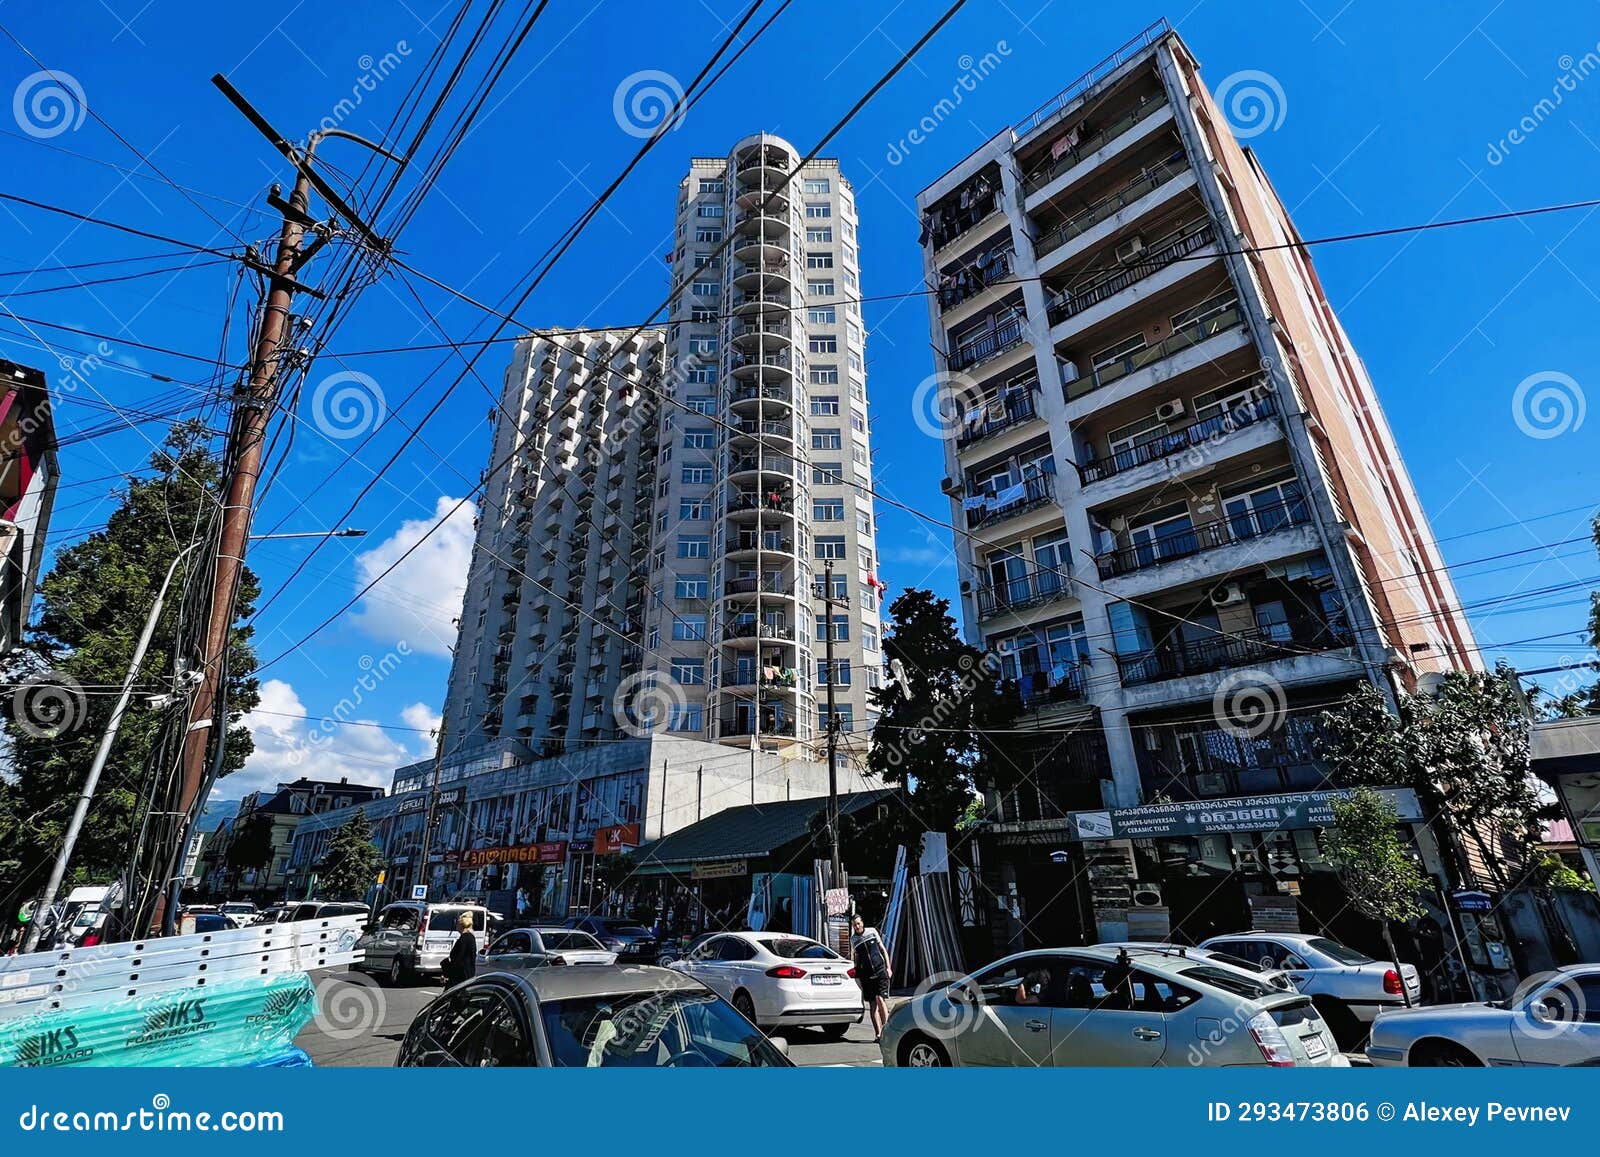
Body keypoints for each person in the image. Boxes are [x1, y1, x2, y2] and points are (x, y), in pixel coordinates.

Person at [851, 915, 892, 1042]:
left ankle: (888, 1031)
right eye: (854, 925)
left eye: (858, 923)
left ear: (862, 923)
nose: (857, 926)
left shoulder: (872, 932)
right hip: (866, 975)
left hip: (880, 970)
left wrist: (888, 968)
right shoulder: (853, 939)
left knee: (880, 999)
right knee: (872, 1004)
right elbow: (856, 958)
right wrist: (857, 974)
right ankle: (878, 1034)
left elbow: (883, 950)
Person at [443, 911, 477, 987]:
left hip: (460, 977)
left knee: (451, 994)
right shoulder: (470, 937)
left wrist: (448, 974)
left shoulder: (464, 939)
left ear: (462, 925)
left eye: (458, 923)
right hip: (466, 974)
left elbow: (458, 959)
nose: (456, 925)